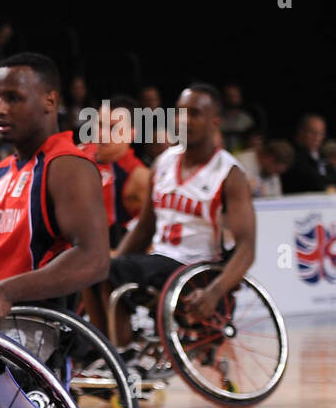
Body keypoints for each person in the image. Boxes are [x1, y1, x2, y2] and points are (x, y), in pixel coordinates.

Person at [96, 83, 255, 349]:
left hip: (196, 268)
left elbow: (247, 248)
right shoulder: (163, 162)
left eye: (194, 114)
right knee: (97, 269)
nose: (184, 120)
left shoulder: (229, 174)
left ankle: (120, 353)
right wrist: (116, 262)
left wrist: (215, 290)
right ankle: (104, 346)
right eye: (180, 112)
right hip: (160, 261)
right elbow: (144, 227)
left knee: (108, 269)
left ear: (215, 122)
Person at [0, 54, 110, 326]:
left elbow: (94, 259)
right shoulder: (2, 168)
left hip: (28, 320)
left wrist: (7, 290)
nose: (1, 109)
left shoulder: (67, 165)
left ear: (50, 101)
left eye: (14, 98)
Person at [81, 95, 151, 246]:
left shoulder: (139, 178)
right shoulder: (77, 152)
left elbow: (151, 236)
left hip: (98, 258)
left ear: (132, 134)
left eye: (113, 128)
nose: (102, 134)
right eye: (99, 125)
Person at [281, 113, 330, 193]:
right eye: (312, 133)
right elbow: (314, 181)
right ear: (301, 132)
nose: (317, 138)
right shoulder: (291, 154)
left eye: (321, 133)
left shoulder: (321, 155)